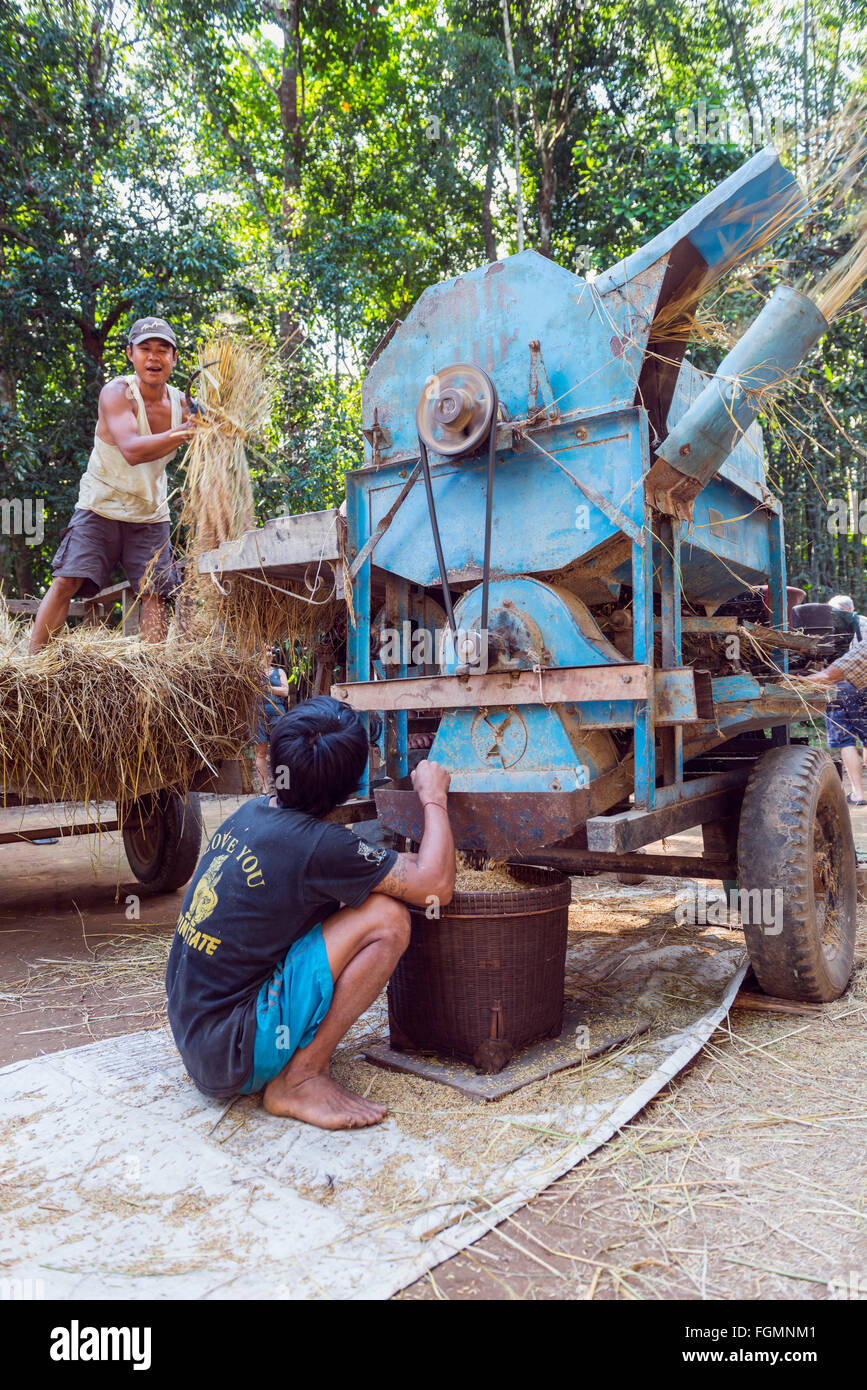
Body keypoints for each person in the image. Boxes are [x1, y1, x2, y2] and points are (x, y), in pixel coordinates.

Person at [165, 695, 454, 1130]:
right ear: (351, 786)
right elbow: (435, 886)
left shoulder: (252, 813)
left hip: (198, 1039)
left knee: (365, 899)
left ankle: (287, 1064)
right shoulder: (319, 844)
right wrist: (434, 798)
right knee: (387, 919)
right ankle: (298, 1080)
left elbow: (394, 871)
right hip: (234, 1053)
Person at [29, 317, 196, 652]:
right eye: (145, 349)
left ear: (174, 358)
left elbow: (213, 439)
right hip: (100, 505)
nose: (154, 358)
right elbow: (132, 450)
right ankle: (32, 667)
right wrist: (187, 432)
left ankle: (152, 677)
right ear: (130, 354)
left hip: (149, 513)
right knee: (67, 580)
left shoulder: (183, 405)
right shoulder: (117, 393)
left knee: (154, 591)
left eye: (163, 350)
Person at [816, 595, 867, 805]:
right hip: (864, 683)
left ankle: (858, 793)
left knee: (845, 741)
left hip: (837, 685)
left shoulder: (826, 627)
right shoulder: (865, 622)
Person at [251, 644, 291, 793]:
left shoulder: (279, 671)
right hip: (258, 713)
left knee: (281, 749)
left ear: (273, 655)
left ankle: (283, 787)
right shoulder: (253, 672)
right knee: (260, 752)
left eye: (270, 651)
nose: (268, 654)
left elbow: (285, 691)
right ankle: (265, 788)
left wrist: (267, 688)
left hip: (277, 712)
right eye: (265, 650)